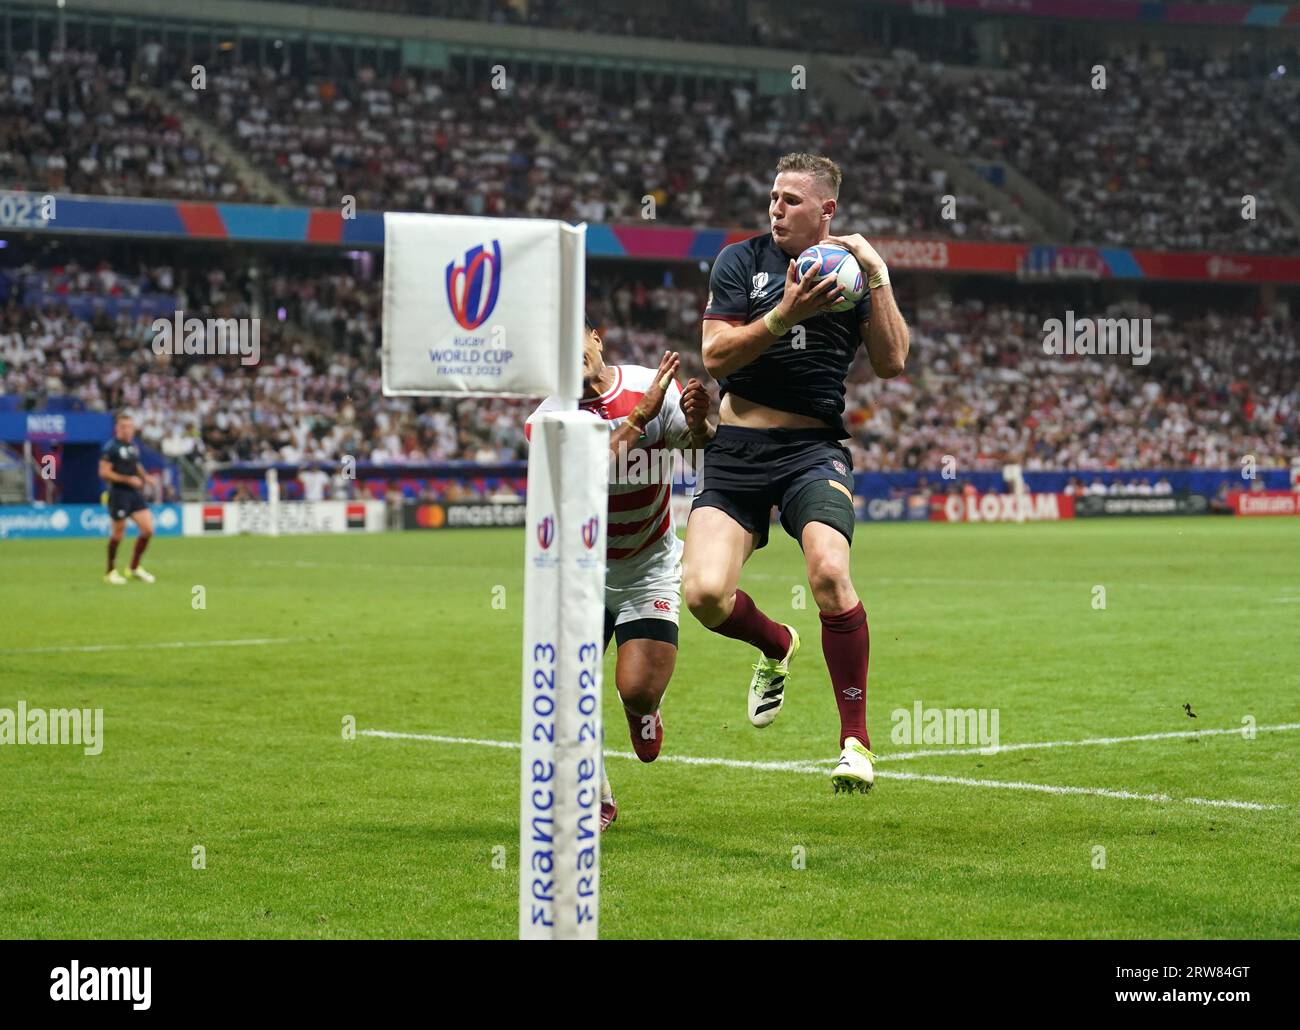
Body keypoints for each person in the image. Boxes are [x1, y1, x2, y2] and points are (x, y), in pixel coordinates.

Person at [681, 152, 910, 795]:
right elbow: (714, 352)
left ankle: (856, 742)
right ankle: (777, 643)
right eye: (773, 197)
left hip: (813, 450)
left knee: (831, 572)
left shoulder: (851, 274)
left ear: (826, 209)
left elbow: (892, 362)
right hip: (735, 451)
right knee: (702, 595)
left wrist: (880, 273)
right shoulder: (741, 261)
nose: (776, 208)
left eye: (791, 199)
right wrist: (784, 315)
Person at [525, 318, 712, 830]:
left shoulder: (649, 386)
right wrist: (637, 421)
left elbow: (698, 455)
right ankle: (596, 798)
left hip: (647, 565)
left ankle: (642, 708)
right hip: (578, 571)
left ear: (596, 339)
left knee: (637, 688)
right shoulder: (548, 420)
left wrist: (699, 425)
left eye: (575, 341)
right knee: (565, 687)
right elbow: (580, 478)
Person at [98, 413, 159, 585]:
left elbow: (135, 464)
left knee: (148, 530)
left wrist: (145, 477)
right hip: (119, 493)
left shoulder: (132, 447)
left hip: (134, 493)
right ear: (117, 429)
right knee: (118, 533)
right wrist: (128, 479)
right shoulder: (111, 448)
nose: (127, 430)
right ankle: (110, 571)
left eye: (130, 427)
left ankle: (133, 567)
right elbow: (104, 472)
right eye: (123, 426)